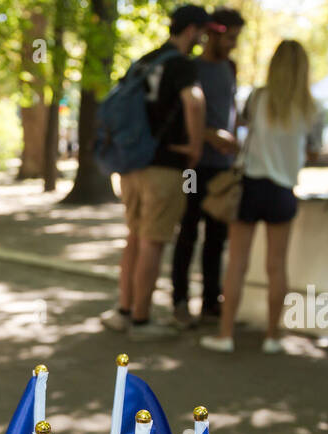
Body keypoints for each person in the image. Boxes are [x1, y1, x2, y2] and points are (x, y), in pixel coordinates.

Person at [200, 39, 319, 354]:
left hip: (250, 187)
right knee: (277, 266)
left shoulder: (257, 98)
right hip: (282, 191)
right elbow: (314, 151)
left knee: (237, 264)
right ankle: (272, 336)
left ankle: (225, 334)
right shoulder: (310, 107)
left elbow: (244, 126)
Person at [108, 5, 210, 339]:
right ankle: (141, 320)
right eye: (202, 32)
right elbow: (194, 101)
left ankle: (124, 310)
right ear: (192, 30)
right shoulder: (181, 64)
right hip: (164, 165)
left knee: (134, 237)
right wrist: (195, 146)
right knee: (152, 241)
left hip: (131, 164)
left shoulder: (143, 61)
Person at [171, 7, 244, 327]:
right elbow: (180, 119)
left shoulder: (230, 68)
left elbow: (231, 111)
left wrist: (233, 141)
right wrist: (208, 135)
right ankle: (180, 301)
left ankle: (211, 302)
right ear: (213, 34)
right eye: (230, 37)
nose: (233, 44)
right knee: (188, 231)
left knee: (217, 237)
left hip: (222, 169)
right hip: (192, 168)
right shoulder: (190, 68)